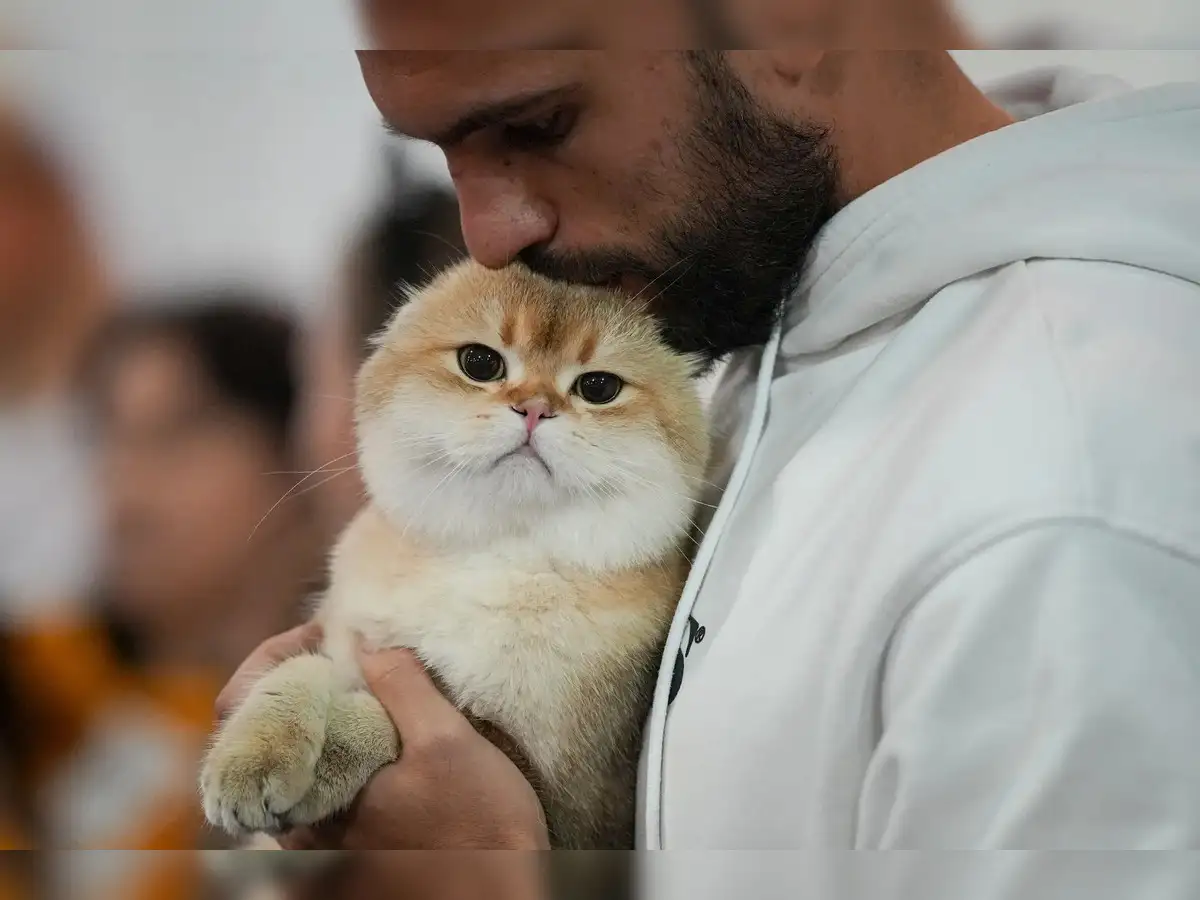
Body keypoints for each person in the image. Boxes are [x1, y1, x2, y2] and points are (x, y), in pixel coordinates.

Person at [225, 4, 1200, 898]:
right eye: (449, 154)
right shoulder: (760, 312)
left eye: (540, 125)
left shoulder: (1068, 498)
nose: (488, 234)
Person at [6, 298, 321, 900]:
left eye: (175, 437)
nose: (126, 492)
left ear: (297, 458)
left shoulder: (353, 721)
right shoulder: (40, 683)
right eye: (109, 439)